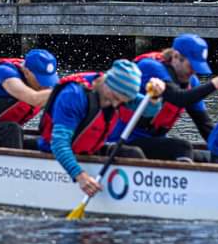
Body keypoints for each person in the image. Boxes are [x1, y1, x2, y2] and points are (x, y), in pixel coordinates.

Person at [37, 60, 166, 196]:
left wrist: (155, 96)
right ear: (107, 83)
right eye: (114, 98)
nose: (116, 104)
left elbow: (150, 110)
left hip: (89, 151)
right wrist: (80, 176)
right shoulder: (73, 95)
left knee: (133, 153)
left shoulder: (121, 93)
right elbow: (59, 144)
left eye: (122, 102)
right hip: (55, 154)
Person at [115, 35, 218, 161]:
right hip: (123, 141)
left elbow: (204, 124)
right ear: (176, 56)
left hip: (151, 143)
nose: (193, 72)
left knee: (208, 156)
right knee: (182, 147)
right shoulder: (151, 67)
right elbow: (178, 98)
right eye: (191, 66)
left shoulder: (191, 82)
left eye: (197, 68)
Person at [0, 49, 59, 149]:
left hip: (6, 135)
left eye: (49, 80)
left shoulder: (45, 85)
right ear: (27, 72)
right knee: (12, 129)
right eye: (41, 79)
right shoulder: (6, 73)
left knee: (51, 141)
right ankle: (16, 163)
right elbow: (34, 98)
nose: (46, 85)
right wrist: (64, 89)